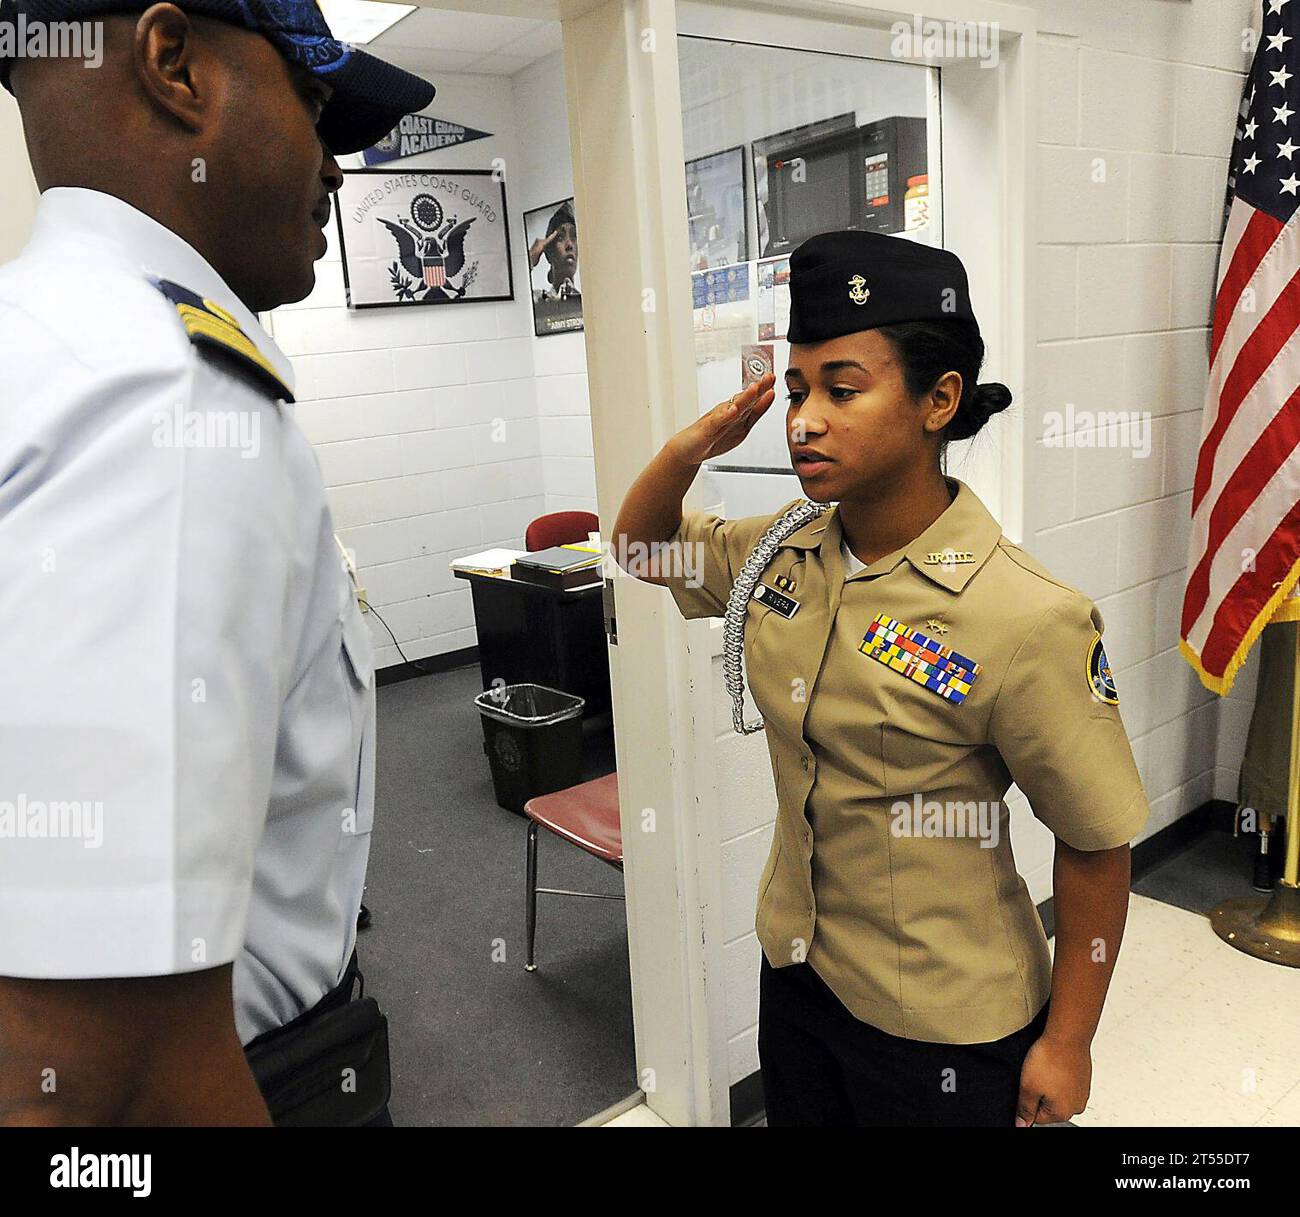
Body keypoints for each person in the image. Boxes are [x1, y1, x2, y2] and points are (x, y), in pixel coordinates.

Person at [0, 0, 434, 1124]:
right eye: (316, 104)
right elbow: (103, 1077)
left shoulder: (36, 336)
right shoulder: (165, 397)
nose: (334, 168)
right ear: (175, 65)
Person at [614, 229, 1151, 1127]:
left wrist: (1069, 1041)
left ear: (940, 399)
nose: (804, 420)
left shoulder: (1025, 614)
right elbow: (641, 549)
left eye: (842, 389)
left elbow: (1097, 842)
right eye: (796, 391)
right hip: (800, 975)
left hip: (947, 1022)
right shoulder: (780, 550)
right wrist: (690, 448)